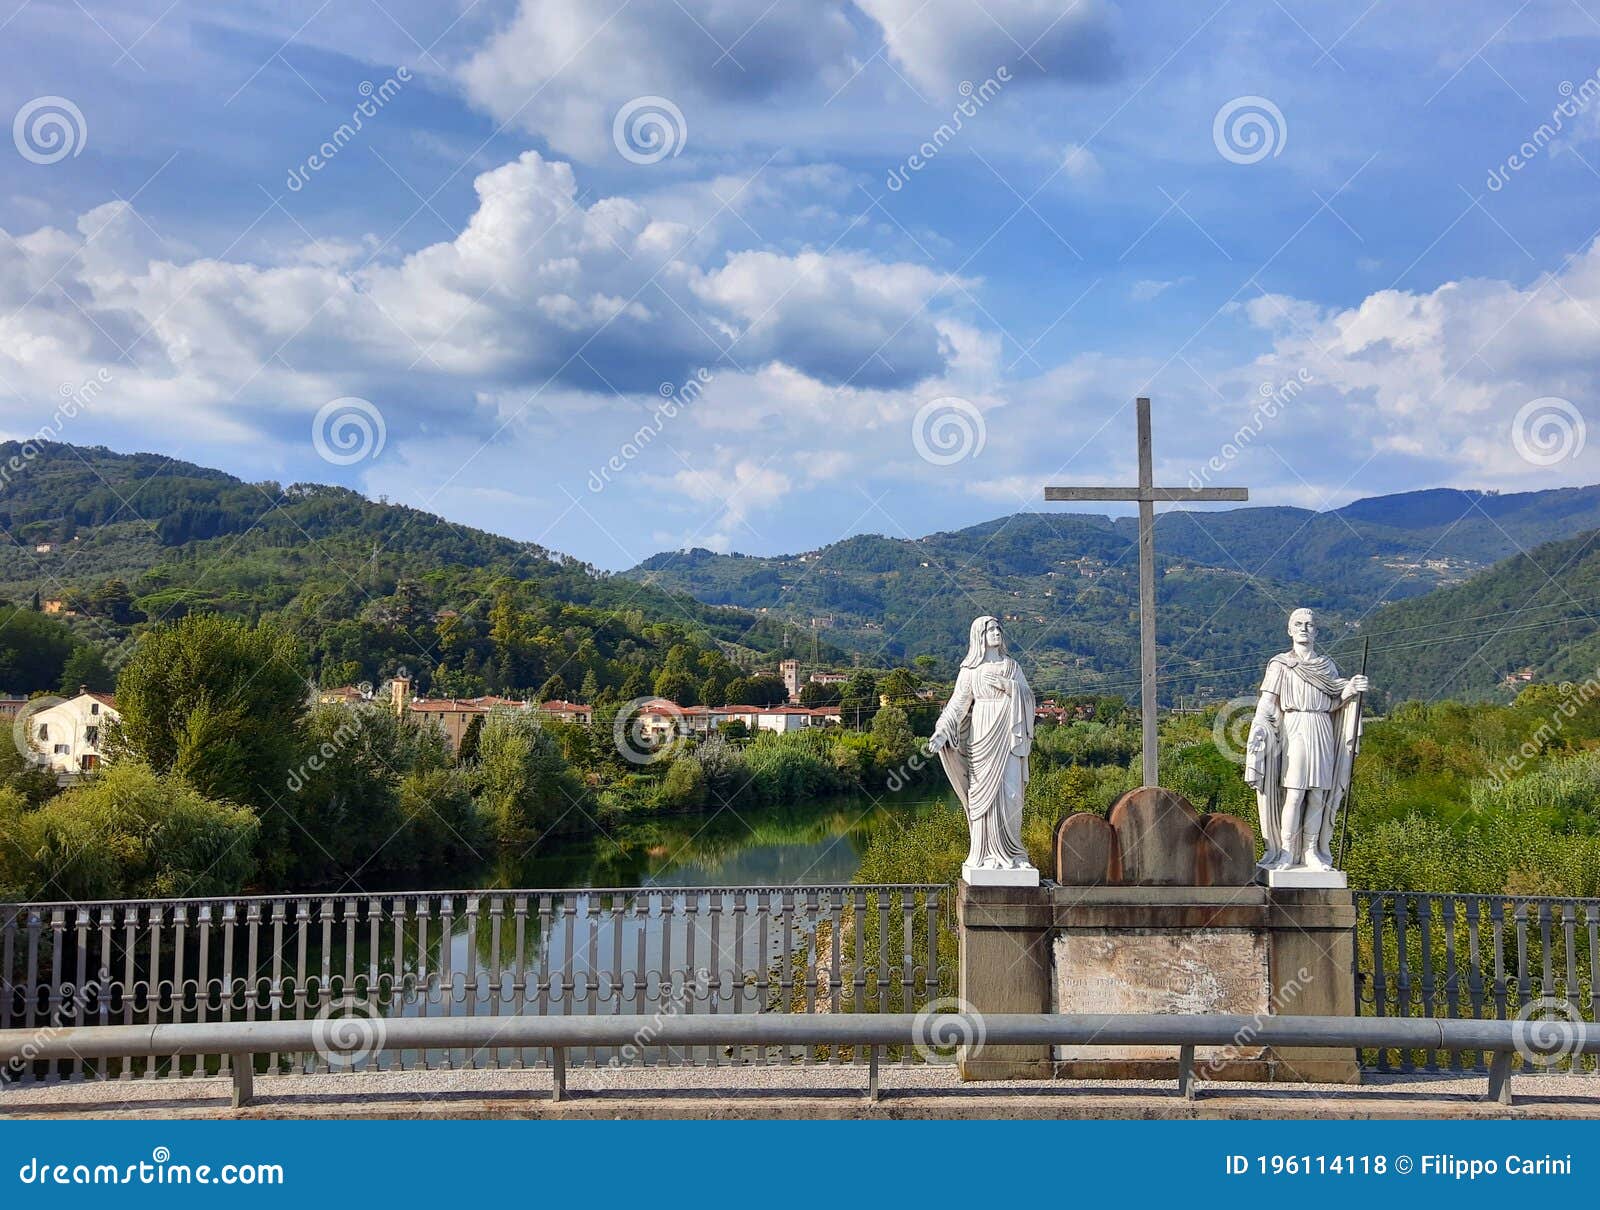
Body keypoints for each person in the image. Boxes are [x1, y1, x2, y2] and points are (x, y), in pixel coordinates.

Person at [1246, 607, 1368, 872]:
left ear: (1316, 631)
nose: (1304, 628)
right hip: (1294, 727)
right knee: (1294, 792)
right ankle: (1287, 851)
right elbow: (1268, 702)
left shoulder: (1326, 666)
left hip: (1321, 726)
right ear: (1290, 630)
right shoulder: (1280, 664)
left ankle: (1311, 851)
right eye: (1298, 624)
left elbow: (1335, 701)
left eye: (1309, 624)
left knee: (1318, 795)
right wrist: (1258, 727)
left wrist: (1351, 690)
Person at [930, 615, 1036, 873]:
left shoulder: (1012, 667)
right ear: (979, 636)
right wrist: (941, 731)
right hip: (982, 736)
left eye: (998, 628)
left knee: (1011, 795)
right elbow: (957, 706)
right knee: (982, 797)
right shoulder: (970, 671)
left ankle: (1013, 852)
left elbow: (1029, 698)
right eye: (990, 629)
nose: (996, 632)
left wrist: (1007, 686)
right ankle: (986, 854)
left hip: (1009, 738)